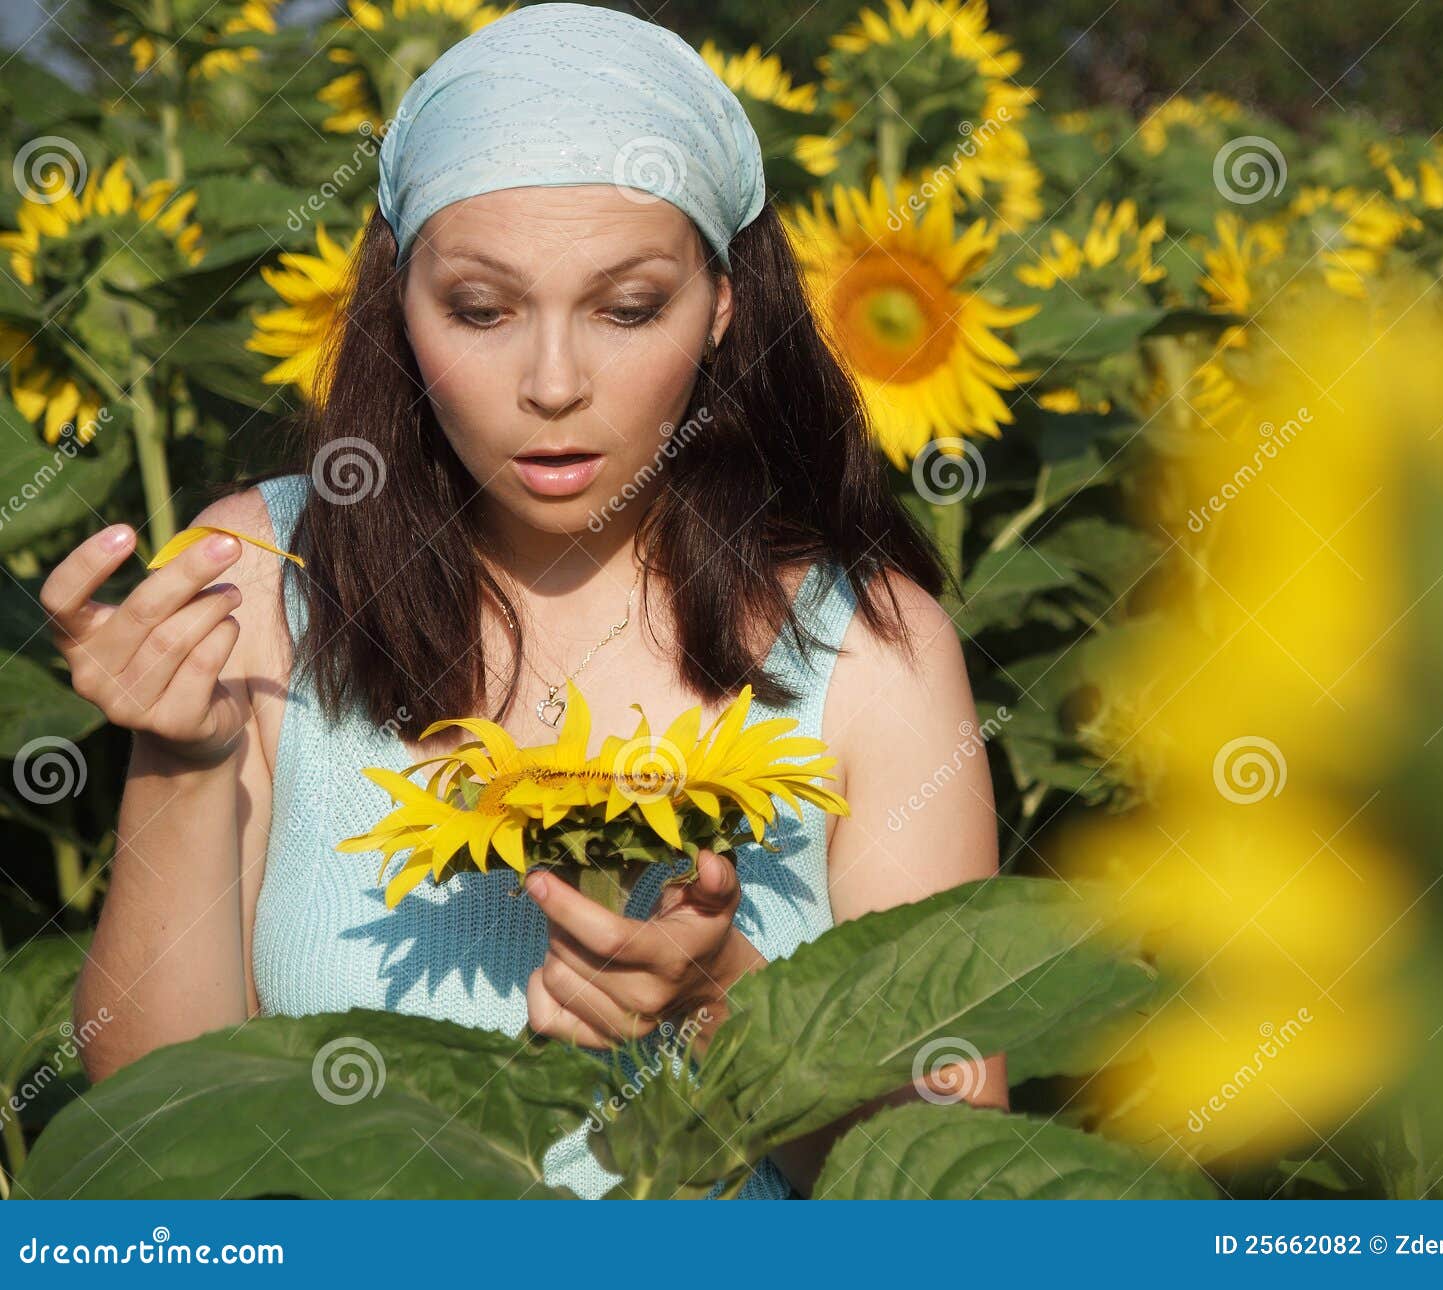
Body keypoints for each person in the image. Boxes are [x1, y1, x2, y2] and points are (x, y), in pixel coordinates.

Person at [46, 1, 1004, 1199]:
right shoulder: (262, 581)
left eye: (628, 308)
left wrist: (726, 1007)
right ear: (398, 305)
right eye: (483, 311)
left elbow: (953, 1187)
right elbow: (161, 1133)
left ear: (723, 305)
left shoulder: (869, 647)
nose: (553, 384)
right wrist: (183, 760)